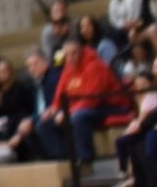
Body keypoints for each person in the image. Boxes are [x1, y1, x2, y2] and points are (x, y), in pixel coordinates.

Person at [46, 34, 130, 163]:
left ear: (81, 51)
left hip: (113, 106)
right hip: (88, 107)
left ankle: (86, 158)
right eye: (67, 55)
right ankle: (63, 159)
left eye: (74, 53)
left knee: (78, 117)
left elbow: (92, 99)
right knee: (43, 123)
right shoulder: (68, 66)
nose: (70, 58)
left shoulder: (94, 65)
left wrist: (67, 112)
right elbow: (61, 91)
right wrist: (55, 107)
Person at [118, 56, 157, 187]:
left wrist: (142, 124)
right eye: (155, 67)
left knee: (147, 146)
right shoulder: (156, 88)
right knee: (135, 146)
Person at [17, 49, 66, 161]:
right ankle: (44, 159)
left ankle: (60, 159)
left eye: (35, 64)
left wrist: (32, 120)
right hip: (44, 115)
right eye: (29, 66)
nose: (32, 68)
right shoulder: (36, 83)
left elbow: (52, 107)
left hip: (58, 113)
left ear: (46, 61)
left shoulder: (53, 78)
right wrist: (31, 119)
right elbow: (39, 109)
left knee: (42, 125)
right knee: (24, 129)